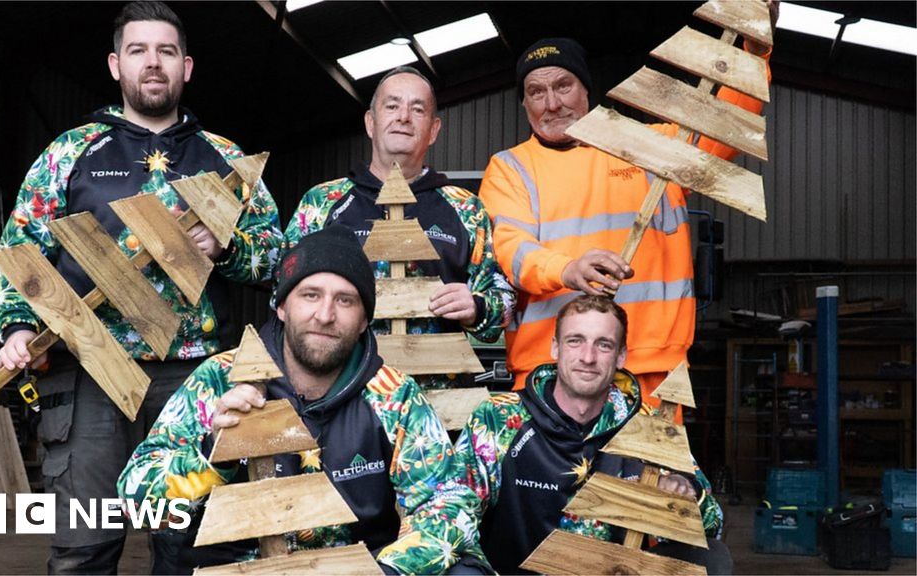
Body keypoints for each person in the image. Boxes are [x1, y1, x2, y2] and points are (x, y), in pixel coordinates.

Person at [0, 2, 282, 572]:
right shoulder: (69, 155)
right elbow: (21, 254)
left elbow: (275, 258)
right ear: (115, 64)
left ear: (187, 67)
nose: (153, 63)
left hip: (195, 380)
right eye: (138, 51)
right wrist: (19, 326)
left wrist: (229, 249)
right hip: (92, 371)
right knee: (84, 547)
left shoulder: (224, 160)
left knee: (189, 545)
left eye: (166, 52)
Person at [118, 224, 484, 575]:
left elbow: (449, 508)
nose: (325, 315)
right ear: (280, 306)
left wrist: (382, 571)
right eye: (310, 295)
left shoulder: (393, 395)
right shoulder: (220, 379)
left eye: (345, 300)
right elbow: (134, 503)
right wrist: (211, 450)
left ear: (363, 321)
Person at [478, 1, 779, 406]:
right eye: (536, 92)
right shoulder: (511, 167)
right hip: (549, 371)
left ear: (587, 89)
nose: (552, 104)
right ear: (524, 104)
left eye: (563, 86)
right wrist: (566, 269)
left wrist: (753, 47)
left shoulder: (649, 147)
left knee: (650, 473)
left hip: (650, 369)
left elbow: (725, 125)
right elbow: (511, 249)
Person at [455, 295, 730, 574]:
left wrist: (686, 492)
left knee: (712, 559)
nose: (588, 357)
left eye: (603, 344)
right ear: (555, 348)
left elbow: (713, 525)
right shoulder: (499, 418)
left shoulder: (646, 425)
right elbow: (452, 512)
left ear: (621, 355)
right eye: (575, 341)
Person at [283, 66, 514, 388]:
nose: (404, 116)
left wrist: (476, 306)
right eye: (392, 106)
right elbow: (281, 296)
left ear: (433, 130)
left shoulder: (466, 209)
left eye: (417, 109)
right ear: (370, 122)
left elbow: (503, 303)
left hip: (438, 404)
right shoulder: (322, 202)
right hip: (339, 396)